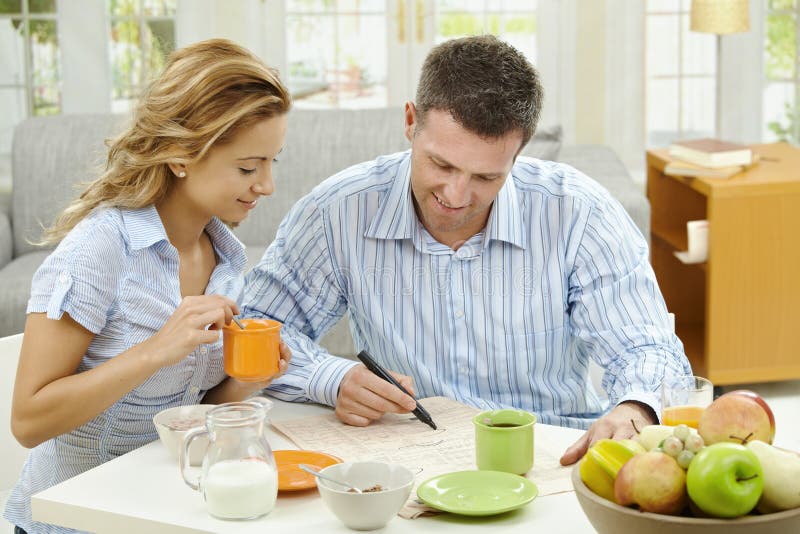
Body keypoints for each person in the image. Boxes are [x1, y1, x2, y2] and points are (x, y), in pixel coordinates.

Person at [245, 35, 691, 467]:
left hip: (552, 453)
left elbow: (646, 347)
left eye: (486, 177)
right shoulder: (338, 211)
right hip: (409, 452)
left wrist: (637, 408)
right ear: (409, 121)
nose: (457, 195)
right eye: (441, 164)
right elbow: (256, 328)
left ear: (518, 153)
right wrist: (332, 377)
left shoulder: (578, 213)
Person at [4, 39, 293, 534]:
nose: (265, 185)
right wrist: (158, 348)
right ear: (180, 156)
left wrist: (245, 381)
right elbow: (29, 421)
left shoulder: (225, 255)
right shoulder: (101, 249)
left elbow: (184, 419)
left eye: (272, 162)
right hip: (73, 523)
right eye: (248, 167)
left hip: (162, 511)